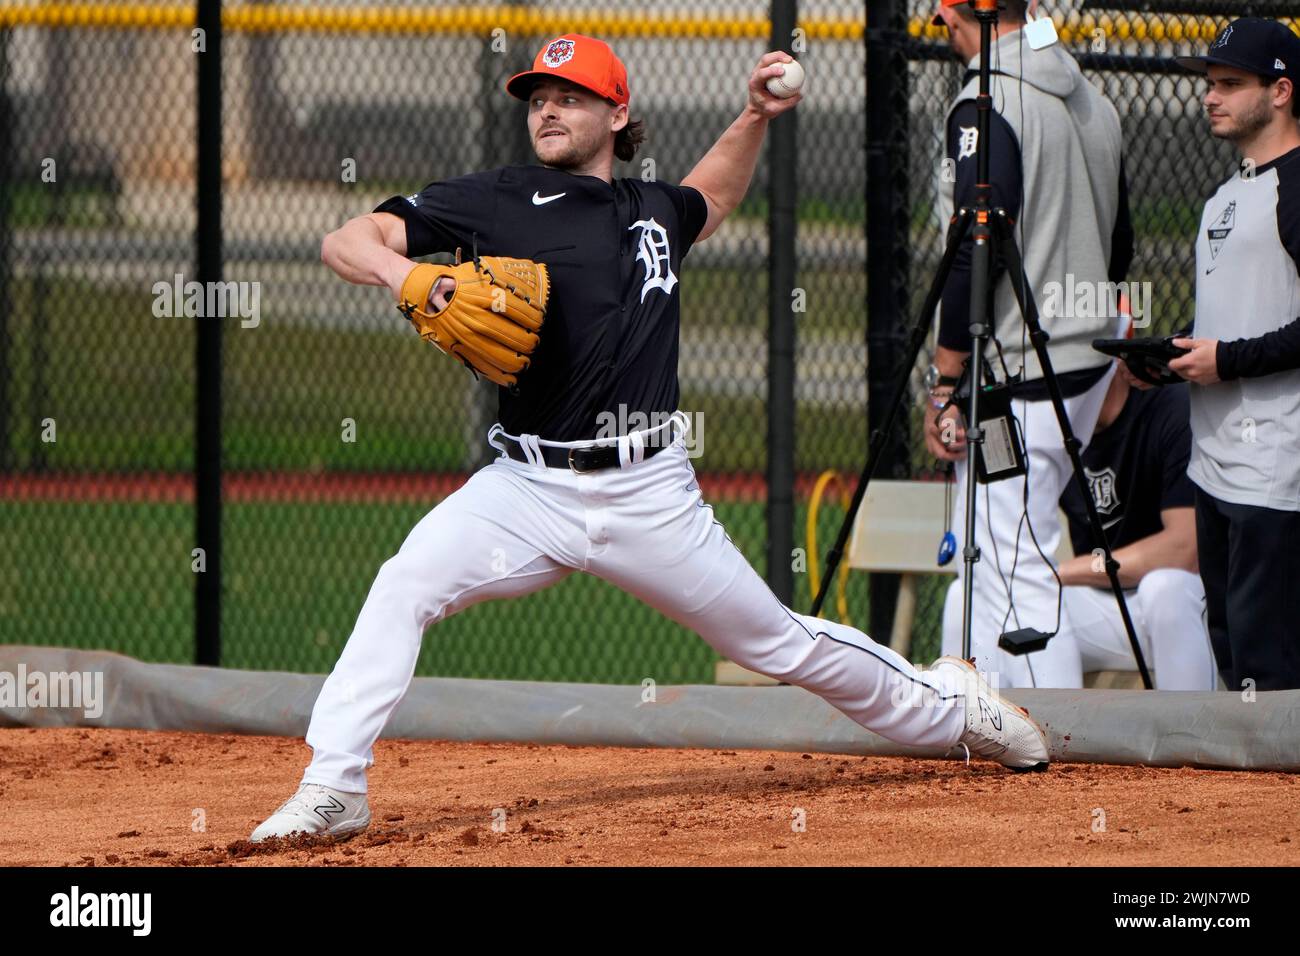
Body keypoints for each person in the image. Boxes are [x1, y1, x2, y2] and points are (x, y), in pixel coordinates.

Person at [250, 34, 1049, 842]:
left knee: (778, 643)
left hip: (648, 493)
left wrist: (753, 116)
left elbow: (715, 196)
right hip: (525, 488)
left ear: (617, 111)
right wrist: (409, 274)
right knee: (403, 583)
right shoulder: (494, 198)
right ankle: (334, 787)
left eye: (569, 95)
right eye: (537, 98)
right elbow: (346, 240)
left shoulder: (652, 208)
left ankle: (955, 709)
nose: (548, 109)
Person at [929, 0, 1134, 687]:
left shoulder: (988, 102)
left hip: (1020, 369)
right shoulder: (1093, 100)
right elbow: (1122, 242)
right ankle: (1001, 722)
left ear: (957, 13)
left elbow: (975, 248)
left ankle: (1057, 746)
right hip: (1088, 356)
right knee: (1015, 552)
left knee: (1014, 560)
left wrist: (945, 380)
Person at [1167, 18, 1300, 691]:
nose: (1210, 96)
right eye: (1209, 83)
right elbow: (1234, 315)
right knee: (1234, 675)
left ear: (1281, 91)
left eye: (1229, 83)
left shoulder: (1297, 186)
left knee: (1272, 678)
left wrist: (1230, 361)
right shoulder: (1224, 195)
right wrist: (1168, 355)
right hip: (1213, 466)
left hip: (1276, 469)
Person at [1050, 359, 1215, 690]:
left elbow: (1182, 551)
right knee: (990, 601)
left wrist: (1063, 572)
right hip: (1103, 611)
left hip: (1187, 611)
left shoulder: (1172, 407)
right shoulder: (1048, 426)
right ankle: (1048, 739)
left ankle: (1186, 739)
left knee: (1164, 588)